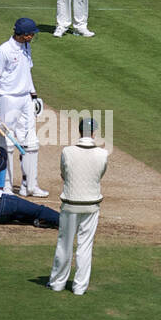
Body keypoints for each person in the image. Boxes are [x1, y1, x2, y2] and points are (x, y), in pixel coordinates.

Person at [0, 18, 47, 196]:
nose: (33, 36)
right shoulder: (3, 50)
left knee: (31, 143)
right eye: (31, 34)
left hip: (25, 98)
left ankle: (30, 186)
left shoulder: (26, 47)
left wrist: (34, 96)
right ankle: (5, 186)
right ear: (23, 34)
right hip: (8, 99)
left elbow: (27, 72)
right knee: (7, 143)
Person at [49, 117, 108, 296]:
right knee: (85, 246)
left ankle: (57, 284)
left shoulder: (67, 151)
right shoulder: (103, 154)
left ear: (80, 131)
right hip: (91, 206)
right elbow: (99, 175)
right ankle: (79, 288)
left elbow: (64, 174)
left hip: (70, 204)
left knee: (64, 244)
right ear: (94, 132)